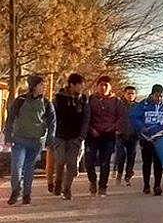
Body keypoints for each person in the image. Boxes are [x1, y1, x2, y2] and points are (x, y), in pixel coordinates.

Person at [5, 75, 56, 206]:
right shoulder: (20, 100)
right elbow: (10, 119)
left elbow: (52, 122)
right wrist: (8, 137)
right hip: (19, 139)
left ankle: (26, 195)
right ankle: (16, 191)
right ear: (33, 86)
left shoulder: (46, 103)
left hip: (35, 141)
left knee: (29, 168)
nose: (43, 87)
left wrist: (50, 139)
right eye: (41, 85)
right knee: (16, 167)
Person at [128, 84, 163, 196]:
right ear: (152, 94)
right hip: (146, 138)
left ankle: (157, 185)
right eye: (157, 96)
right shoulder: (143, 105)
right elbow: (134, 117)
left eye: (161, 96)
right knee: (147, 162)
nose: (159, 99)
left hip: (159, 138)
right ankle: (146, 185)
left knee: (158, 162)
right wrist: (141, 127)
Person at [50, 73, 89, 201]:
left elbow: (86, 119)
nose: (82, 88)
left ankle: (67, 189)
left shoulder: (83, 99)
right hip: (59, 136)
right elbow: (52, 117)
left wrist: (82, 136)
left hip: (75, 137)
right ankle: (58, 182)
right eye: (80, 85)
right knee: (60, 161)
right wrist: (51, 134)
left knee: (72, 165)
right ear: (72, 85)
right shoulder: (59, 98)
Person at [85, 76, 123, 196]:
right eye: (101, 84)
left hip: (108, 135)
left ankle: (102, 187)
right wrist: (91, 129)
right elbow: (86, 117)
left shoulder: (116, 101)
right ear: (97, 86)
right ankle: (92, 182)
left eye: (106, 85)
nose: (103, 87)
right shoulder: (91, 99)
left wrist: (112, 128)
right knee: (89, 161)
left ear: (110, 87)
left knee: (105, 162)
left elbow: (121, 118)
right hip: (92, 134)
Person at [112, 86, 139, 187]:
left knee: (131, 156)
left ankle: (128, 176)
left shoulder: (137, 106)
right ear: (124, 94)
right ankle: (119, 173)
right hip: (120, 134)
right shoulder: (119, 105)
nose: (130, 95)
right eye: (128, 93)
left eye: (132, 93)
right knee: (121, 154)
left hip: (133, 135)